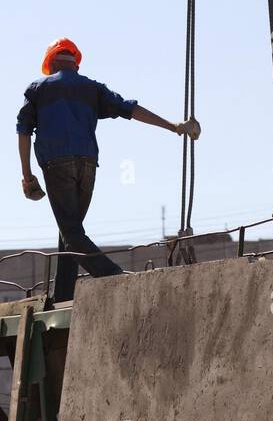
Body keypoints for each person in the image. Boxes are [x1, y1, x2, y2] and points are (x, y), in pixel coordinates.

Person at [16, 37, 200, 302]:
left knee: (71, 231)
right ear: (75, 64)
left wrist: (27, 174)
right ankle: (63, 297)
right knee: (70, 230)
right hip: (88, 165)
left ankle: (113, 277)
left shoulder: (37, 89)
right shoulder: (92, 88)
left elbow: (23, 130)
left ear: (51, 63)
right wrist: (173, 126)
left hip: (56, 164)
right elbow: (130, 109)